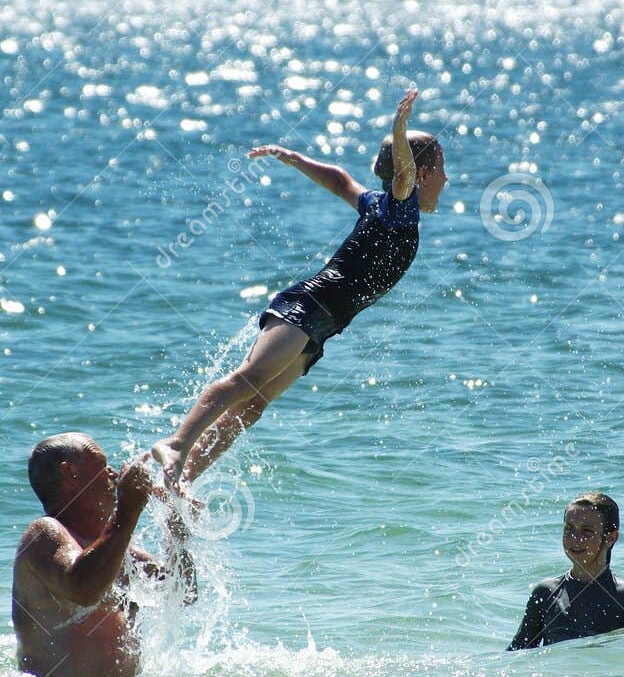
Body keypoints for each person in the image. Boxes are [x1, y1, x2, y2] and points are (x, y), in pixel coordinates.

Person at [152, 86, 446, 490]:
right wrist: (400, 128)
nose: (446, 179)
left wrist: (295, 160)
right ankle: (176, 443)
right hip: (306, 307)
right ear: (422, 173)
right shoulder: (399, 206)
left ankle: (183, 479)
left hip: (325, 325)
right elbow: (403, 174)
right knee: (246, 381)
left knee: (253, 406)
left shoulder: (381, 207)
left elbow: (341, 181)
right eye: (442, 170)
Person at [13, 433, 196, 677]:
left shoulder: (116, 550)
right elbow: (85, 589)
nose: (112, 473)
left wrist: (176, 531)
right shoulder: (43, 534)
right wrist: (129, 508)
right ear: (70, 473)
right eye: (102, 465)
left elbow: (183, 592)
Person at [507, 492, 624, 651]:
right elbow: (517, 654)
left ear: (611, 538)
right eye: (569, 528)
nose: (575, 538)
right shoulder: (546, 592)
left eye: (587, 531)